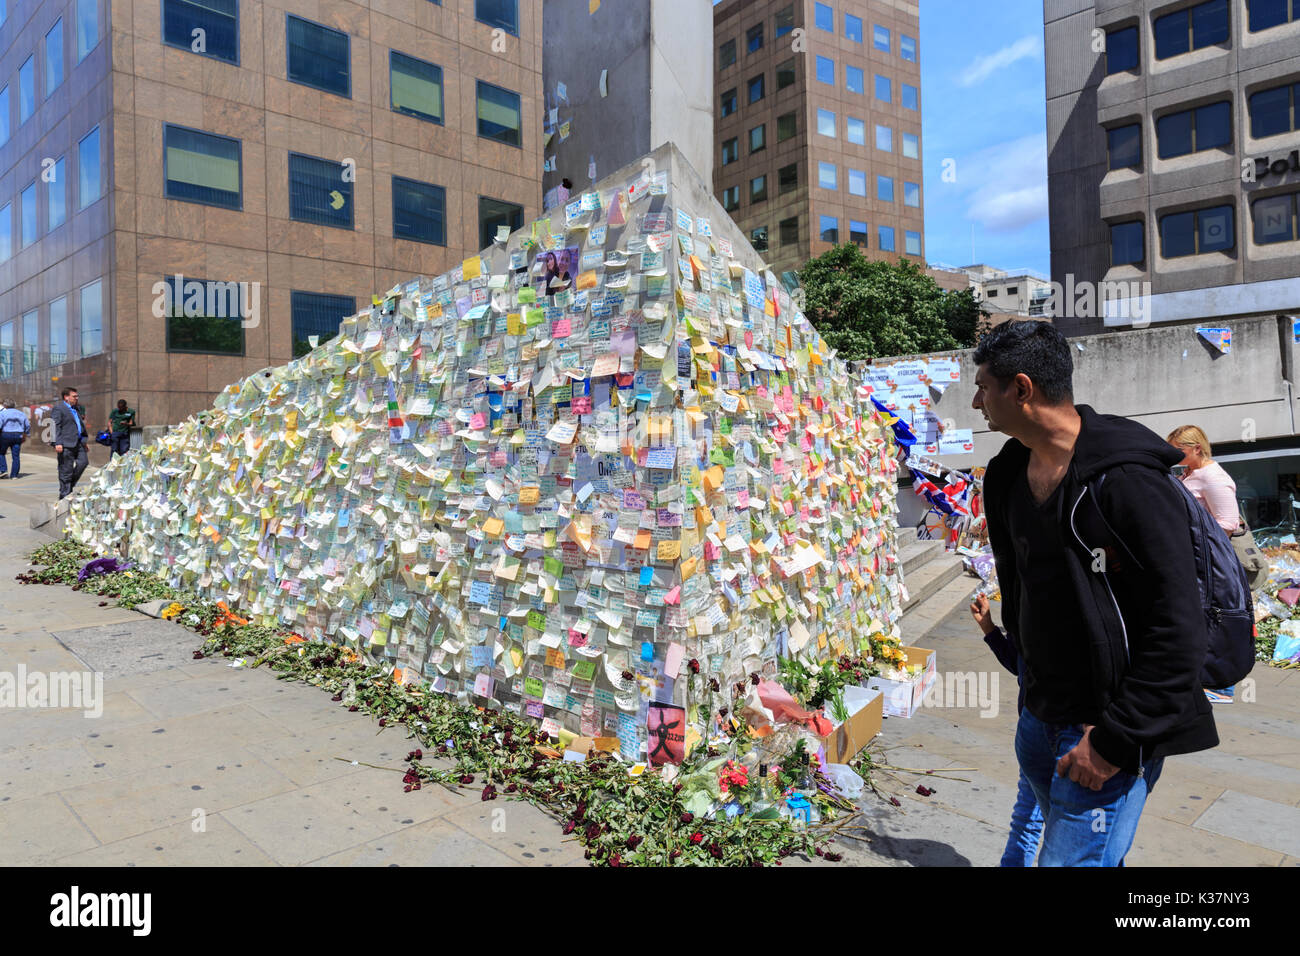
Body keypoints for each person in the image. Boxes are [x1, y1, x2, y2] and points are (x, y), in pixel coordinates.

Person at [973, 320, 1217, 867]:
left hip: (1103, 729)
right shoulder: (1008, 473)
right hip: (1038, 718)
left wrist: (1117, 741)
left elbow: (1179, 625)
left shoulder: (1128, 478)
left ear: (1021, 389)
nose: (975, 400)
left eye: (984, 386)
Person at [969, 592, 1043, 867]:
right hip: (1035, 730)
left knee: (1077, 834)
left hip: (1078, 736)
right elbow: (1017, 663)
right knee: (1028, 816)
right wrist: (989, 628)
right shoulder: (1026, 597)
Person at [1166, 425, 1238, 535]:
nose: (1174, 454)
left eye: (1180, 450)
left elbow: (1227, 525)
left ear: (1197, 448)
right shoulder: (1187, 472)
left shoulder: (1213, 477)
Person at [51, 386, 89, 499]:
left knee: (83, 463)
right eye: (74, 396)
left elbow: (79, 425)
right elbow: (54, 426)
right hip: (65, 444)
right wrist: (57, 442)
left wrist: (84, 440)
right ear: (66, 397)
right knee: (65, 470)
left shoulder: (76, 409)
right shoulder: (59, 408)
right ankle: (64, 496)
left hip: (79, 443)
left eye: (77, 396)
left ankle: (68, 486)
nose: (77, 398)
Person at [0, 400, 31, 479]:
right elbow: (27, 425)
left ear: (5, 406)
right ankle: (14, 475)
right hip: (18, 435)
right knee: (16, 456)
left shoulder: (2, 413)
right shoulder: (21, 413)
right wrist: (26, 434)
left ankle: (3, 470)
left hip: (6, 435)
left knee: (1, 453)